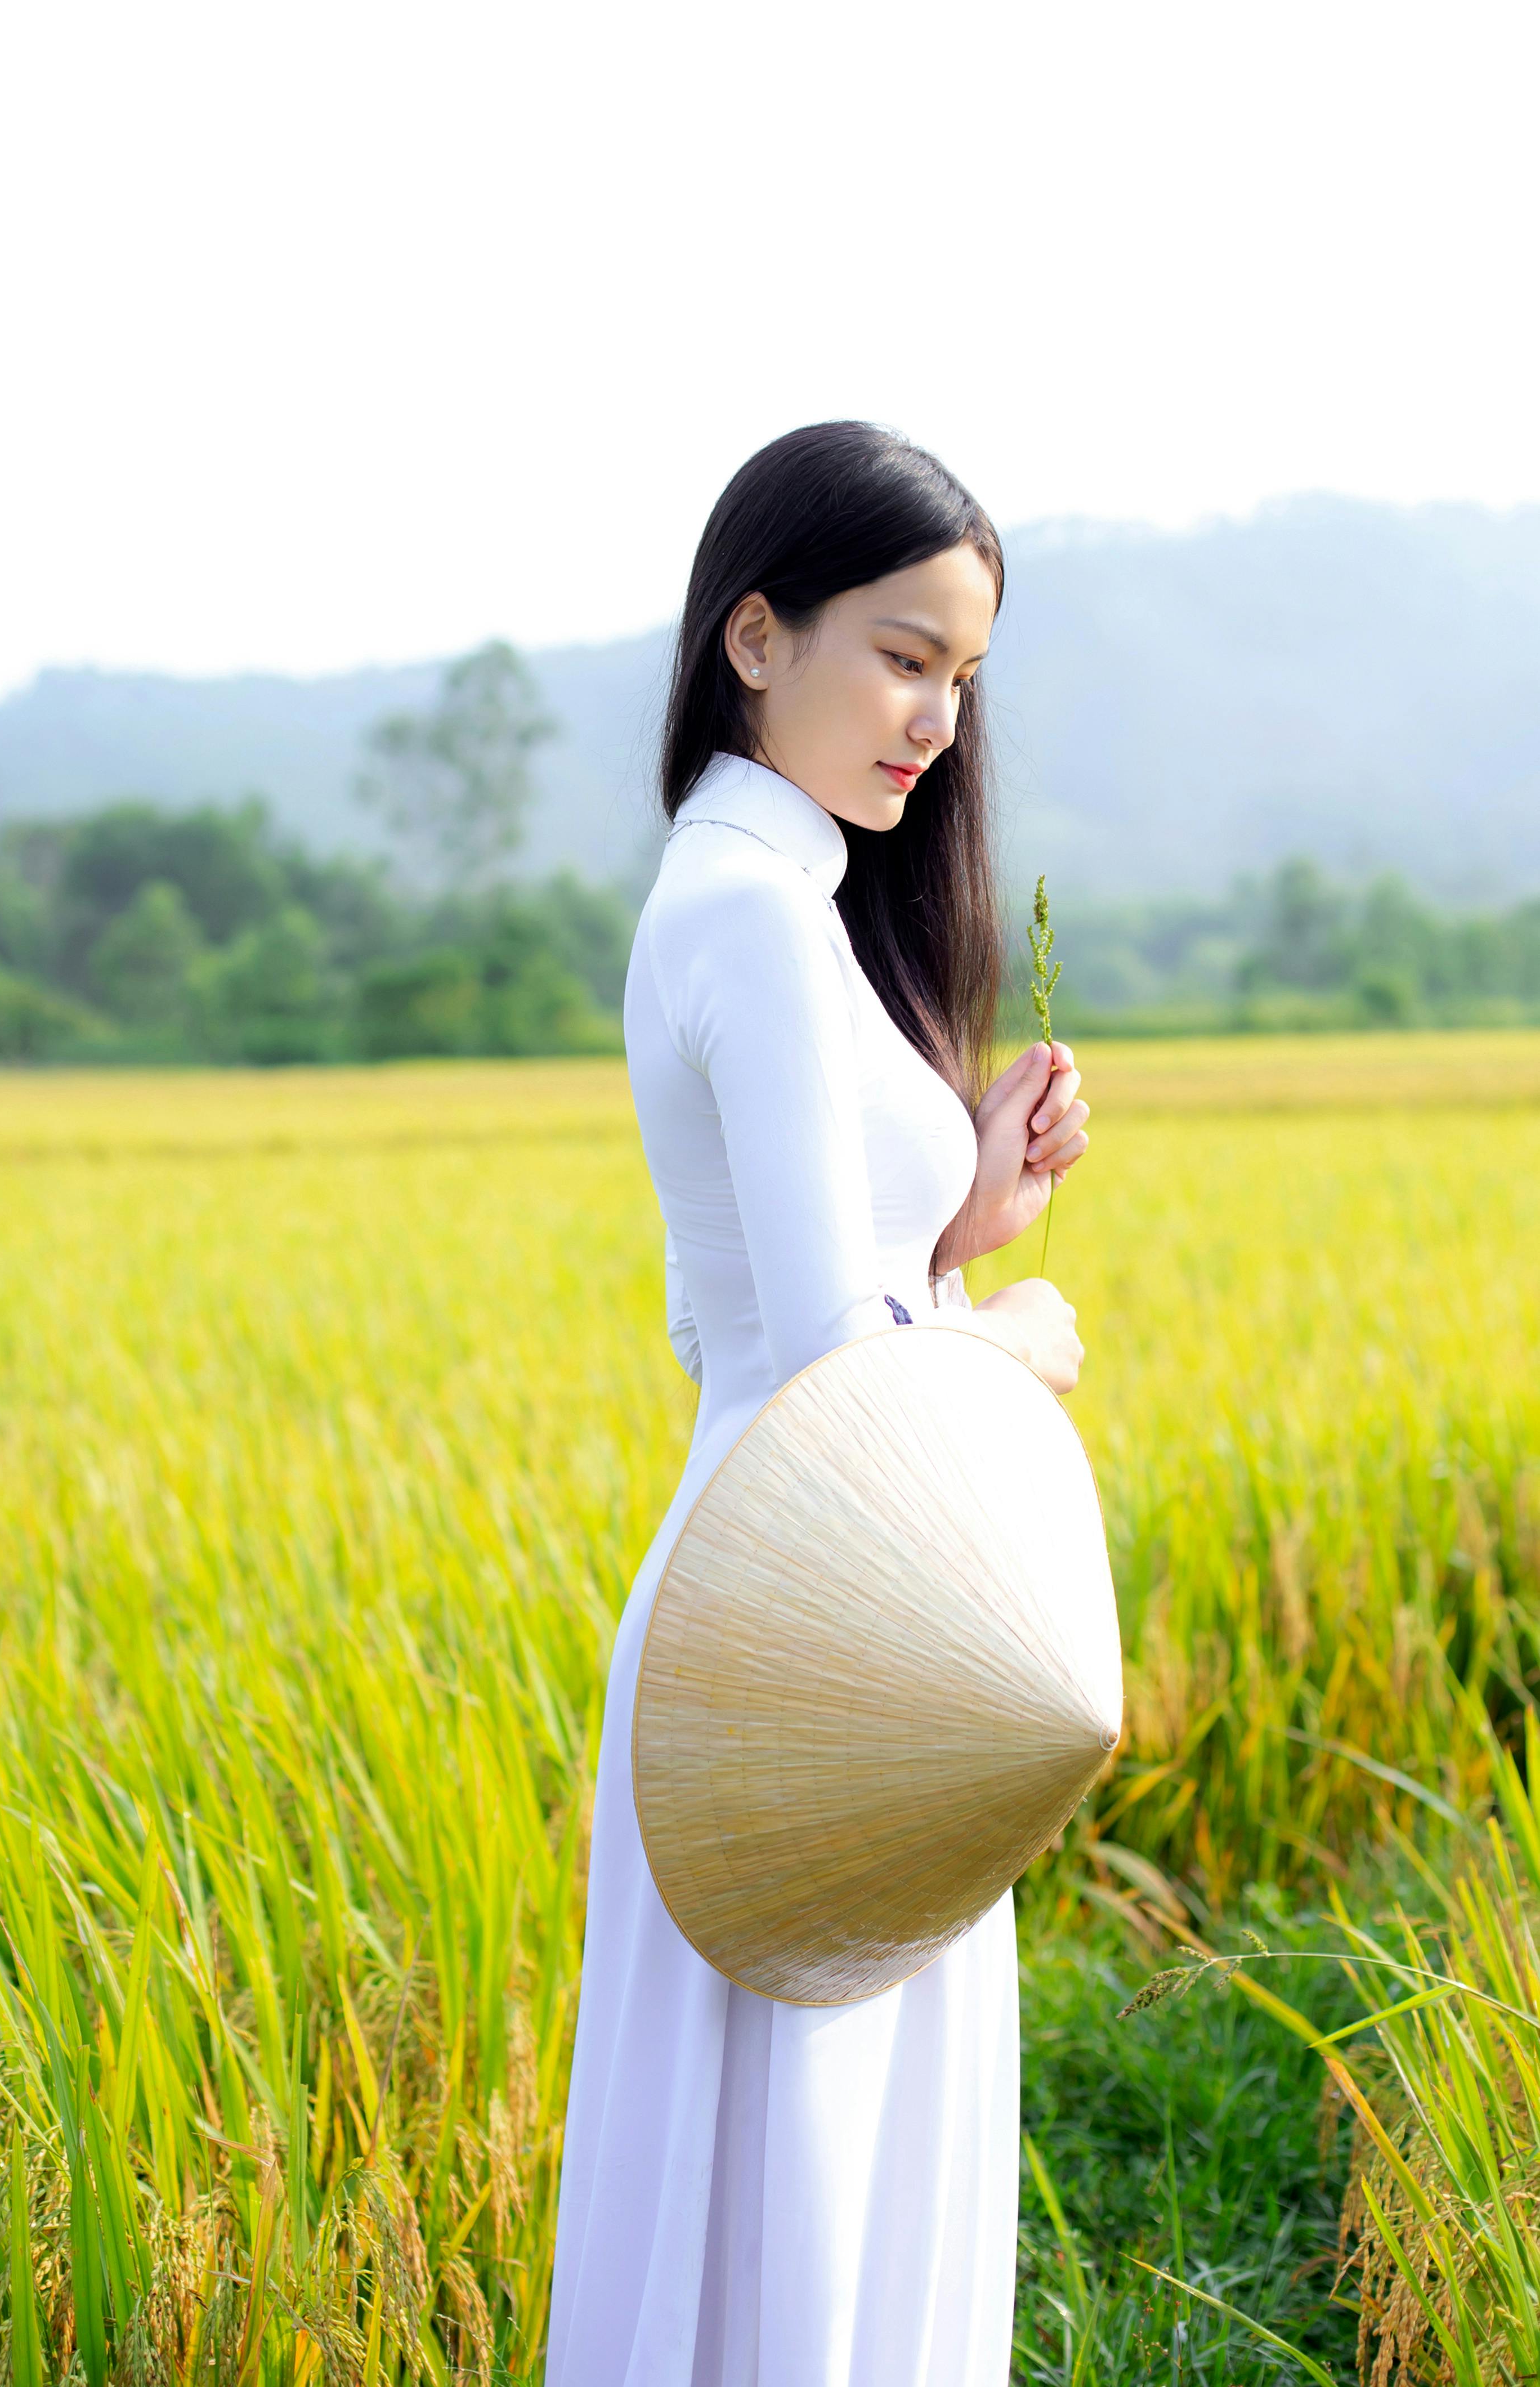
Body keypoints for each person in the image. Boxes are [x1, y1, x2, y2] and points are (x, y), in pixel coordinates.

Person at [546, 422, 1091, 2387]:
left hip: (831, 1605)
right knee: (804, 2175)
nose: (934, 717)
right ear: (753, 637)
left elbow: (843, 1302)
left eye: (959, 675)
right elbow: (836, 1363)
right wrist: (1014, 1335)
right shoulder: (747, 916)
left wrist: (970, 1208)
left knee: (830, 2164)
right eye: (898, 654)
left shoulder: (787, 901)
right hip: (787, 1632)